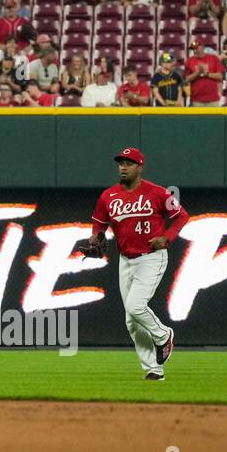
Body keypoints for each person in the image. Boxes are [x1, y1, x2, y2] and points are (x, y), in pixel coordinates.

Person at [82, 148, 189, 381]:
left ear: (140, 167)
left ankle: (163, 336)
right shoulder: (108, 196)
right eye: (121, 163)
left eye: (129, 163)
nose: (123, 167)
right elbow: (99, 225)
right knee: (131, 321)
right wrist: (95, 238)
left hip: (151, 257)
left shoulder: (157, 193)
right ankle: (154, 369)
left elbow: (182, 216)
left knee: (135, 306)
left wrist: (167, 237)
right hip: (125, 260)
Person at [184, 38, 224, 106]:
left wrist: (207, 74)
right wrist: (197, 73)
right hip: (196, 99)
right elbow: (186, 79)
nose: (195, 50)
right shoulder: (189, 61)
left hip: (213, 99)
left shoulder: (213, 58)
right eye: (193, 48)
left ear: (203, 47)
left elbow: (220, 76)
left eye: (196, 47)